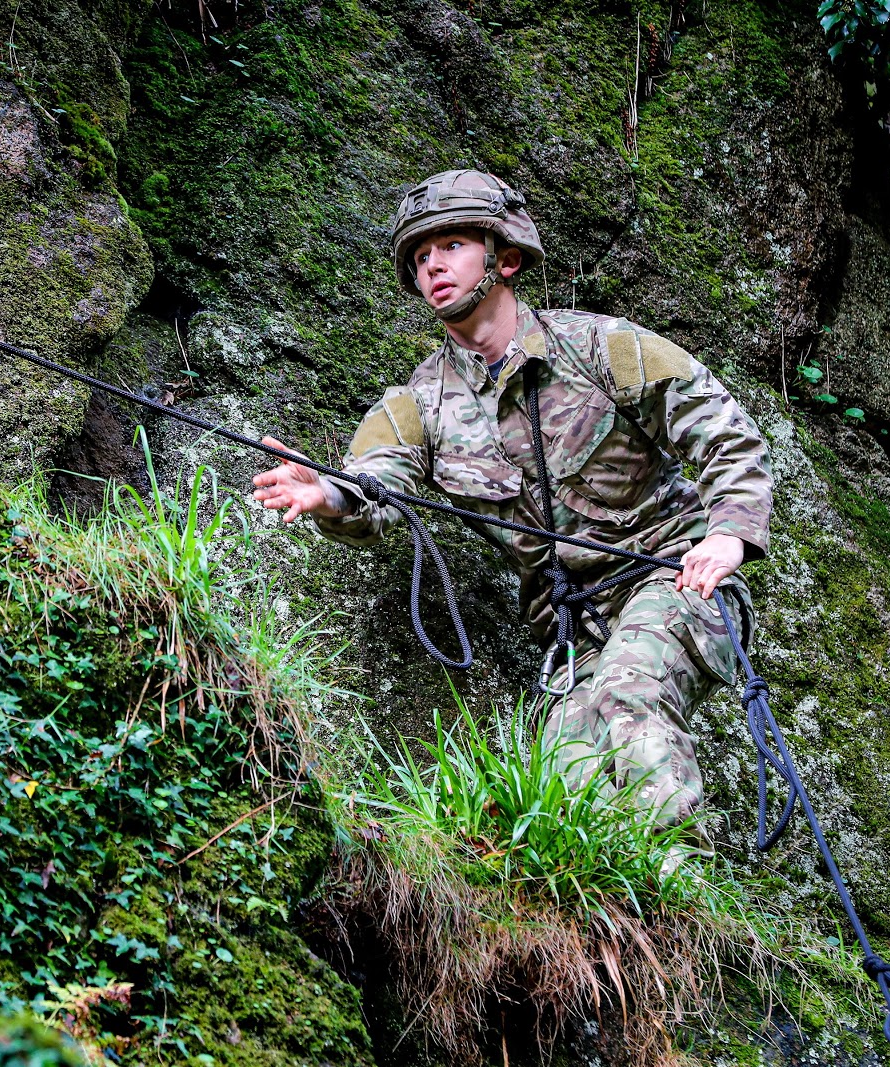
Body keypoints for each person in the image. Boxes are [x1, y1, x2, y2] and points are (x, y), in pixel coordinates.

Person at [251, 169, 773, 851]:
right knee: (562, 781)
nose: (431, 263)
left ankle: (687, 893)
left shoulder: (601, 348)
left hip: (679, 578)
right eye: (418, 256)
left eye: (451, 245)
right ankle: (630, 929)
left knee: (631, 691)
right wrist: (329, 496)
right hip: (576, 629)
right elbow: (376, 477)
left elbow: (724, 432)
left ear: (506, 258)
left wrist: (728, 536)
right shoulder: (420, 403)